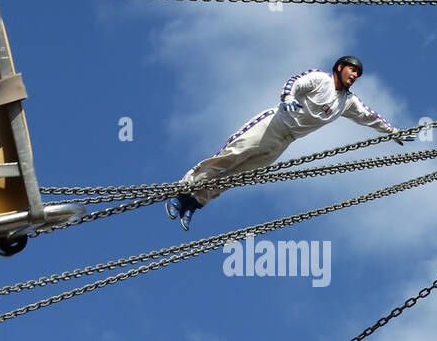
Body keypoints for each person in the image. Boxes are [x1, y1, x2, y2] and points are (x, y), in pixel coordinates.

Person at [165, 56, 413, 230]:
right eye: (352, 70)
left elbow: (369, 117)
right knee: (230, 156)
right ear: (340, 67)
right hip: (273, 124)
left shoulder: (347, 102)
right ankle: (183, 190)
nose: (355, 75)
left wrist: (393, 132)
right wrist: (287, 98)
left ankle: (195, 202)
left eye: (358, 74)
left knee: (240, 175)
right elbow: (294, 82)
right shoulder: (320, 79)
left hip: (284, 141)